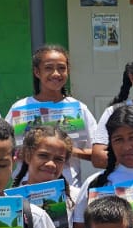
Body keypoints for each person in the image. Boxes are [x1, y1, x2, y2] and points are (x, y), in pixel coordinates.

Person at [7, 45, 98, 183]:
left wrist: (67, 151)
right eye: (49, 68)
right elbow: (3, 148)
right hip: (25, 187)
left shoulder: (78, 109)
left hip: (66, 189)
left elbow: (98, 154)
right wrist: (18, 153)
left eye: (61, 68)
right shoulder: (21, 108)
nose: (56, 73)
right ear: (37, 72)